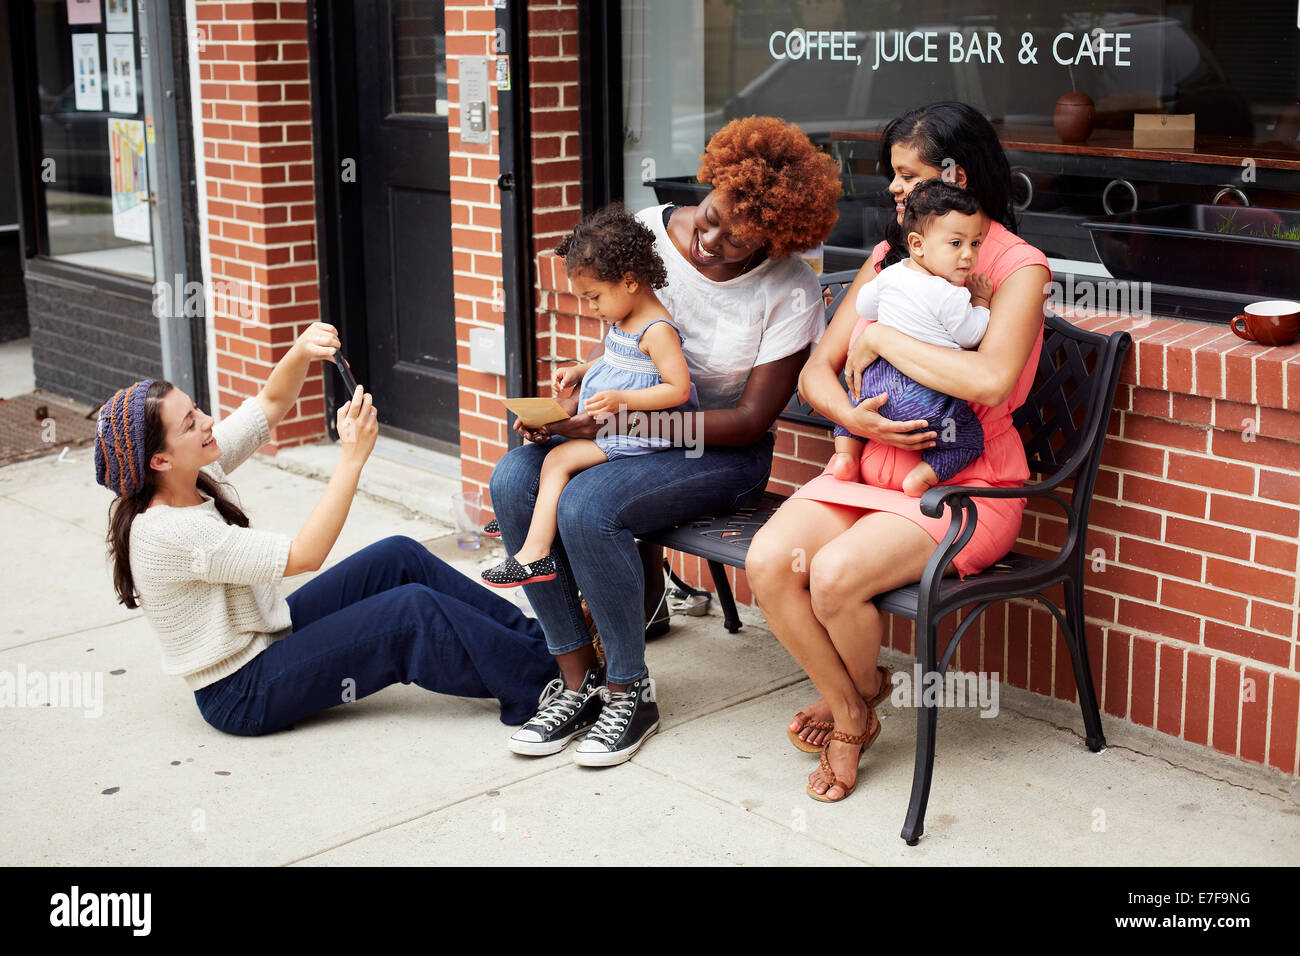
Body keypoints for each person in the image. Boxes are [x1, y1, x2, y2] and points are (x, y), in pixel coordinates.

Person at [490, 115, 842, 767]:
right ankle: (577, 680)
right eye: (710, 217)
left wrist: (615, 422)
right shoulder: (652, 229)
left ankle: (628, 689)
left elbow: (748, 421)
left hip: (719, 453)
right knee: (513, 479)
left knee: (585, 507)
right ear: (710, 185)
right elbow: (626, 332)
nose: (708, 242)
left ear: (777, 239)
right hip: (632, 430)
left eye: (736, 242)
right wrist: (581, 397)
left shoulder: (790, 289)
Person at [746, 101, 1051, 803]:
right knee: (767, 563)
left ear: (956, 175)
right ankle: (858, 697)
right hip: (869, 469)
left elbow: (989, 378)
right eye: (892, 175)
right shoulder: (894, 254)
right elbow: (816, 371)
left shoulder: (1018, 267)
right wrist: (853, 417)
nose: (891, 188)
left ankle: (849, 713)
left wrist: (881, 340)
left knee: (832, 576)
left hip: (959, 483)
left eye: (905, 174)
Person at [95, 322, 558, 736]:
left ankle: (550, 645)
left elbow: (270, 405)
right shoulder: (167, 532)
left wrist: (299, 352)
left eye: (197, 409)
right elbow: (304, 556)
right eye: (191, 422)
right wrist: (353, 457)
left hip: (270, 637)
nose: (209, 421)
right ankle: (542, 681)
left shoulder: (186, 471)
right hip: (242, 691)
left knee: (399, 556)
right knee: (409, 613)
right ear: (159, 460)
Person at [481, 205, 698, 590]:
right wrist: (580, 371)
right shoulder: (622, 318)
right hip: (615, 422)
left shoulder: (658, 330)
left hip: (644, 430)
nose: (592, 308)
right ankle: (528, 516)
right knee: (550, 440)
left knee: (561, 458)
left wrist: (621, 401)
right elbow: (615, 358)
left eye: (594, 297)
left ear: (629, 281)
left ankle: (535, 553)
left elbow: (677, 389)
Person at [829, 178, 994, 498]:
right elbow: (971, 336)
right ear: (918, 244)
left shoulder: (890, 274)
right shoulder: (951, 295)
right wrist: (982, 302)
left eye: (975, 244)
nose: (968, 256)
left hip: (874, 387)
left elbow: (864, 305)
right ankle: (923, 475)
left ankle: (846, 456)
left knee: (849, 401)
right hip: (926, 397)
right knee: (970, 438)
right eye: (956, 244)